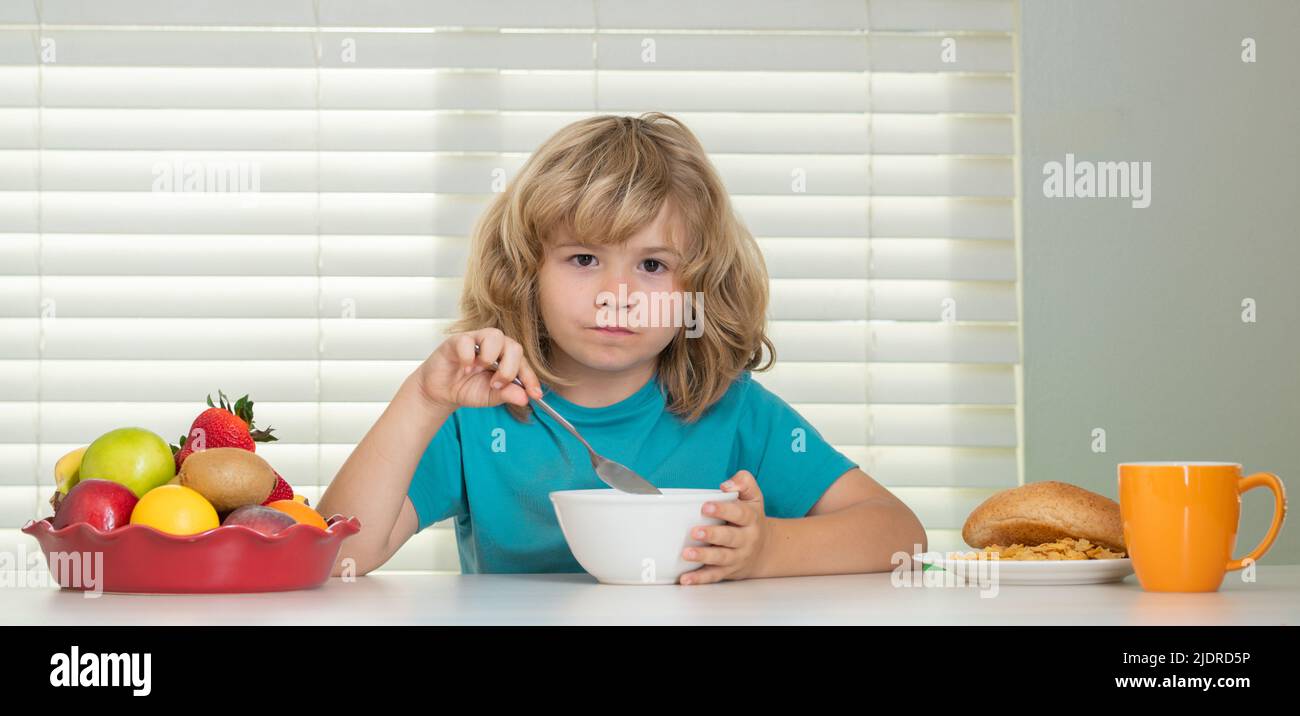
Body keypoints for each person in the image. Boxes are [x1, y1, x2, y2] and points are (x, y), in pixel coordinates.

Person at [318, 113, 926, 584]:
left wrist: (764, 549)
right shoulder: (473, 422)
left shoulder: (734, 412)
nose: (619, 295)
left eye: (654, 264)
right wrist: (423, 399)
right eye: (584, 259)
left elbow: (900, 535)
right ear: (526, 272)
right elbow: (341, 555)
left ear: (699, 288)